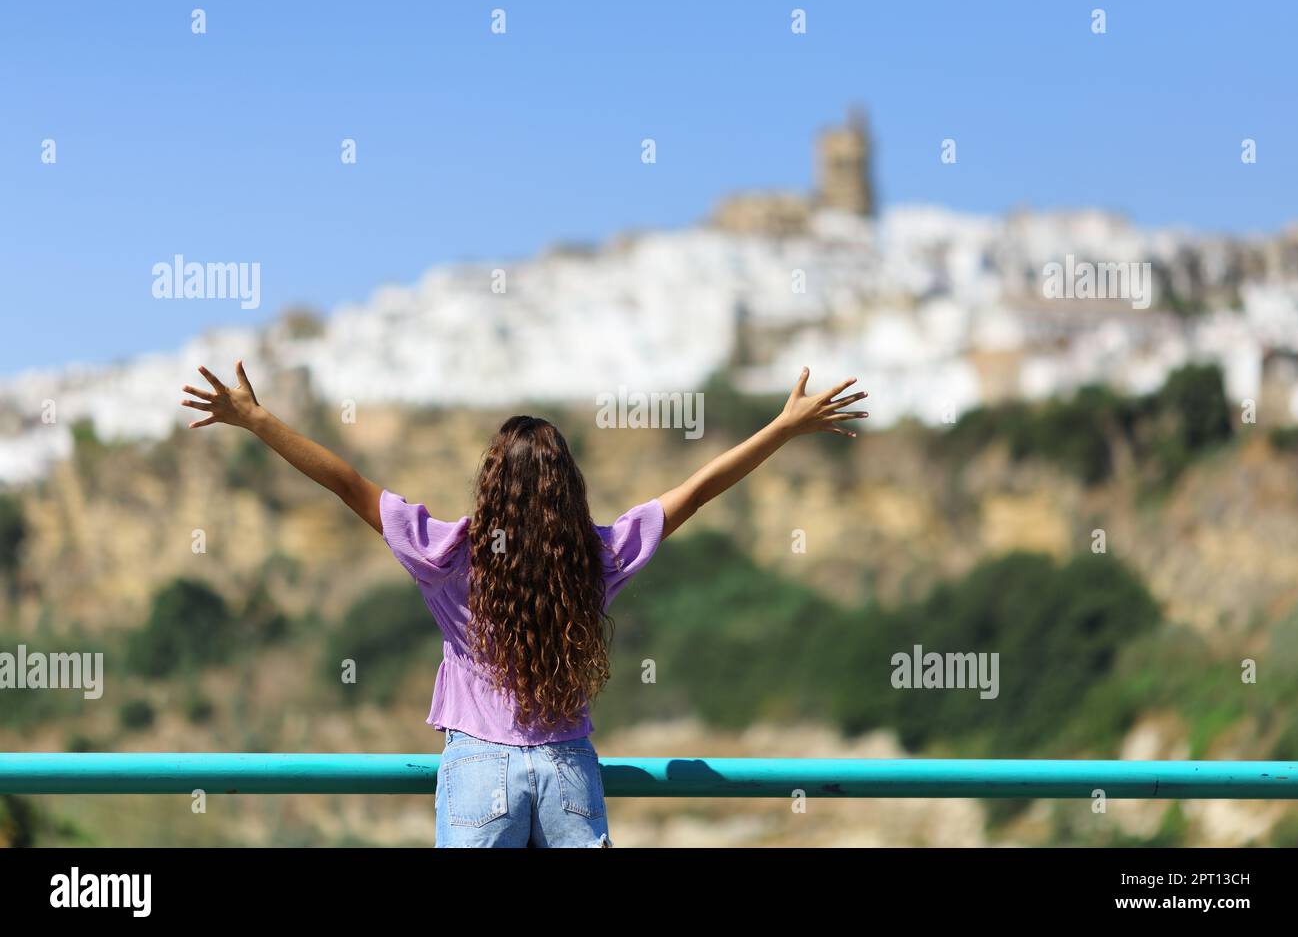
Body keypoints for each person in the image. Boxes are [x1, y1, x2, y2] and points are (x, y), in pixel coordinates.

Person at [181, 361, 866, 846]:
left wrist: (257, 420)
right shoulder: (595, 559)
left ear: (489, 487)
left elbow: (347, 483)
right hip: (569, 769)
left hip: (479, 770)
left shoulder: (446, 555)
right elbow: (698, 490)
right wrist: (780, 428)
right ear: (567, 486)